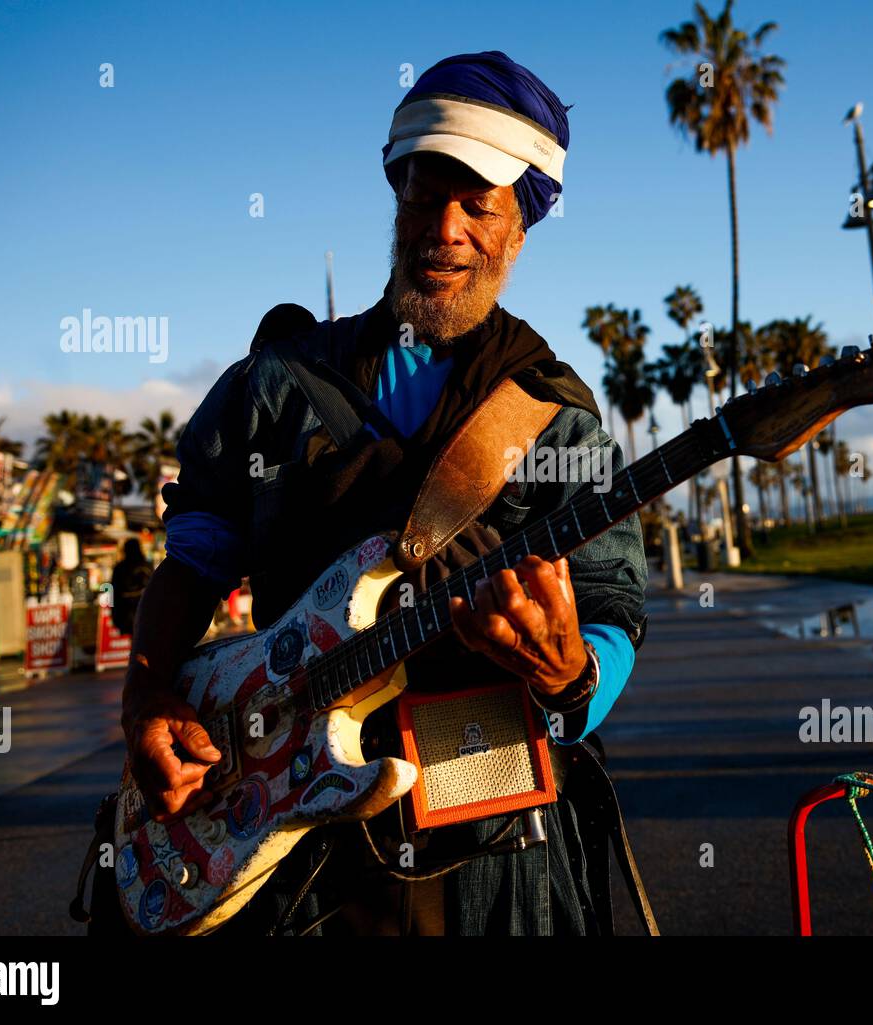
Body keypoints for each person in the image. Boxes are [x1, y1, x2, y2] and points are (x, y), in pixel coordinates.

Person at [117, 51, 648, 936]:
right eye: (421, 194)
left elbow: (612, 608)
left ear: (522, 223)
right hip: (288, 853)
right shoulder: (276, 383)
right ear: (396, 196)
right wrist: (143, 695)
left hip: (490, 845)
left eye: (478, 204)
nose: (444, 227)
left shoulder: (553, 421)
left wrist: (571, 673)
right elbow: (195, 559)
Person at [109, 538, 152, 637]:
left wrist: (114, 614)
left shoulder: (120, 568)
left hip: (126, 613)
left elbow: (112, 592)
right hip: (146, 612)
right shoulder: (147, 565)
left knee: (135, 642)